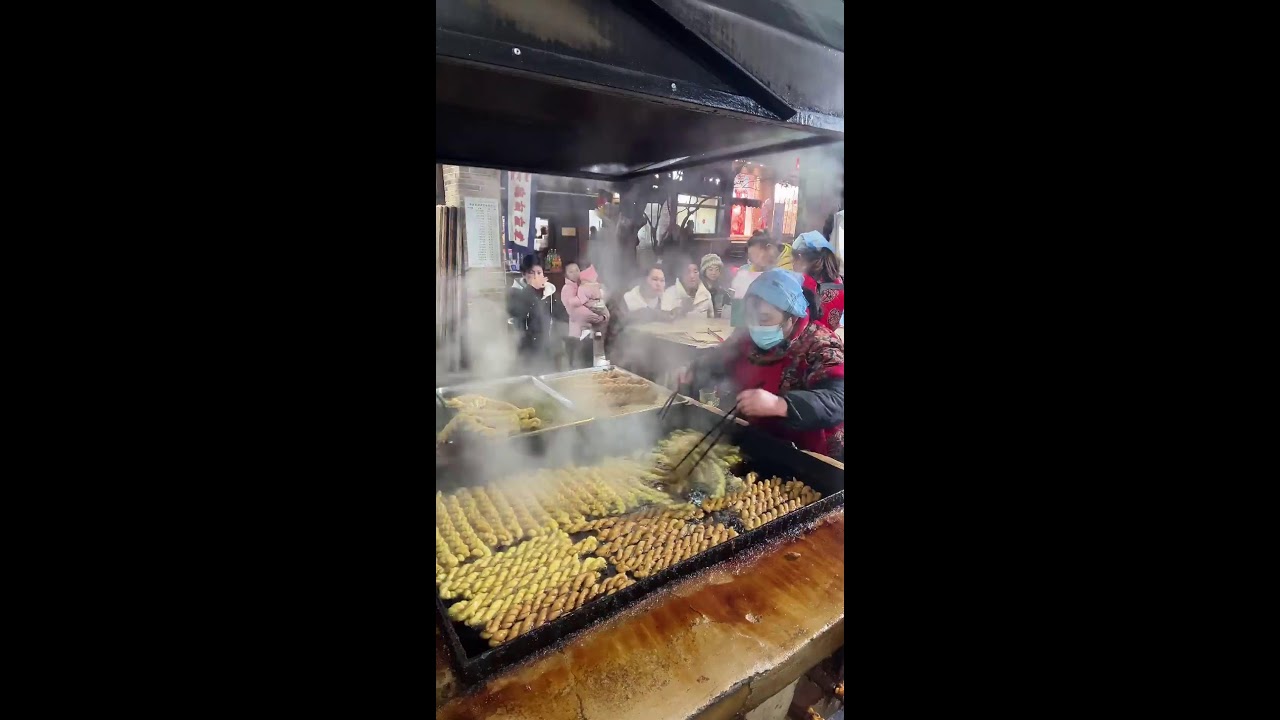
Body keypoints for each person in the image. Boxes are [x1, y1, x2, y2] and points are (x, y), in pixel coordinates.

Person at [678, 269, 844, 460]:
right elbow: (722, 359)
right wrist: (695, 370)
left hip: (807, 453)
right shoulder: (747, 335)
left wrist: (779, 404)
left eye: (764, 318)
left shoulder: (820, 343)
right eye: (751, 316)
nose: (755, 325)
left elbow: (838, 399)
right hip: (758, 440)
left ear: (792, 318)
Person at [507, 256, 563, 369]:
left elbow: (560, 316)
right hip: (527, 350)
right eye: (531, 273)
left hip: (548, 349)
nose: (535, 277)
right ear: (523, 274)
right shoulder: (516, 292)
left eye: (539, 272)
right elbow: (517, 313)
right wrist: (531, 289)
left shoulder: (550, 293)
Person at [791, 231, 845, 331]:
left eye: (793, 258)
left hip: (806, 341)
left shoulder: (801, 281)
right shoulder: (838, 280)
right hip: (828, 337)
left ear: (800, 256)